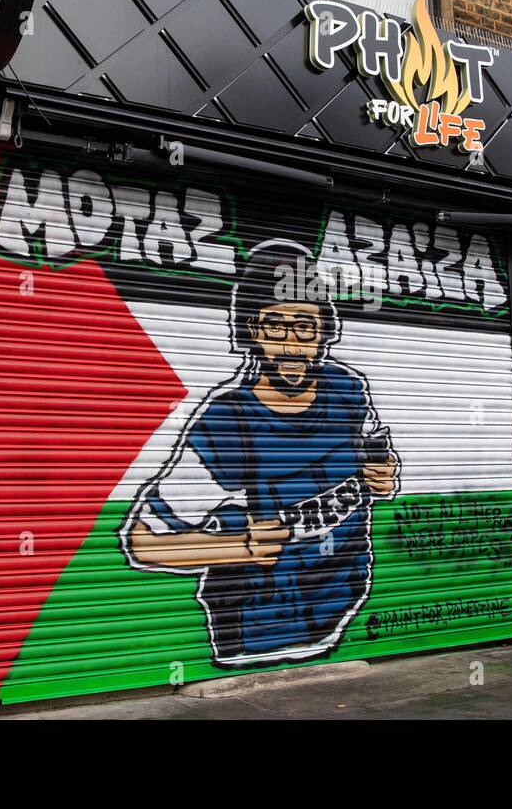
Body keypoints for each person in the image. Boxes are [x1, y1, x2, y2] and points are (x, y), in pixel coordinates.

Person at [122, 240, 400, 667]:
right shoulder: (228, 422)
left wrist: (381, 476)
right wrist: (240, 548)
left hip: (343, 609)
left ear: (324, 331)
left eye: (305, 327)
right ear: (252, 330)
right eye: (275, 325)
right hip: (258, 631)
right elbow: (143, 543)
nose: (291, 345)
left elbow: (368, 467)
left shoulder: (348, 391)